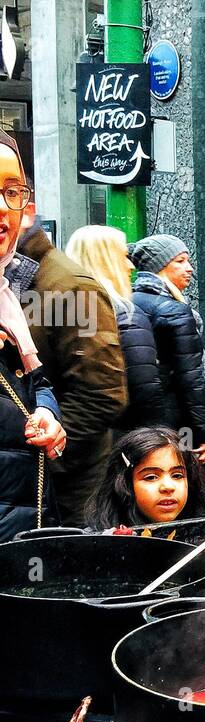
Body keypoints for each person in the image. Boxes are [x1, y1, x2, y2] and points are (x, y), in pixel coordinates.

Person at [17, 168, 127, 526]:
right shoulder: (14, 277)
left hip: (62, 493)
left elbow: (102, 396)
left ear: (25, 209)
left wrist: (32, 453)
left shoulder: (69, 286)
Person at [0, 142, 66, 539]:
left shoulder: (10, 292)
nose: (3, 206)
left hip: (25, 525)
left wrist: (48, 414)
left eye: (11, 190)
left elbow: (36, 380)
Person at [65, 225, 167, 433]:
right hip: (119, 440)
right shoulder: (125, 314)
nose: (130, 265)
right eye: (123, 256)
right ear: (104, 262)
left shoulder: (57, 311)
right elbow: (144, 390)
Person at [129, 235, 205, 463]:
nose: (189, 269)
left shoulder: (126, 302)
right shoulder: (174, 310)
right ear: (160, 266)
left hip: (139, 421)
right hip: (178, 420)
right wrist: (203, 434)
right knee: (185, 475)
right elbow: (191, 379)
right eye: (180, 261)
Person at [86, 426, 205, 531]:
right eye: (151, 477)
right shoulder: (101, 542)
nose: (168, 487)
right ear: (125, 484)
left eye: (177, 475)